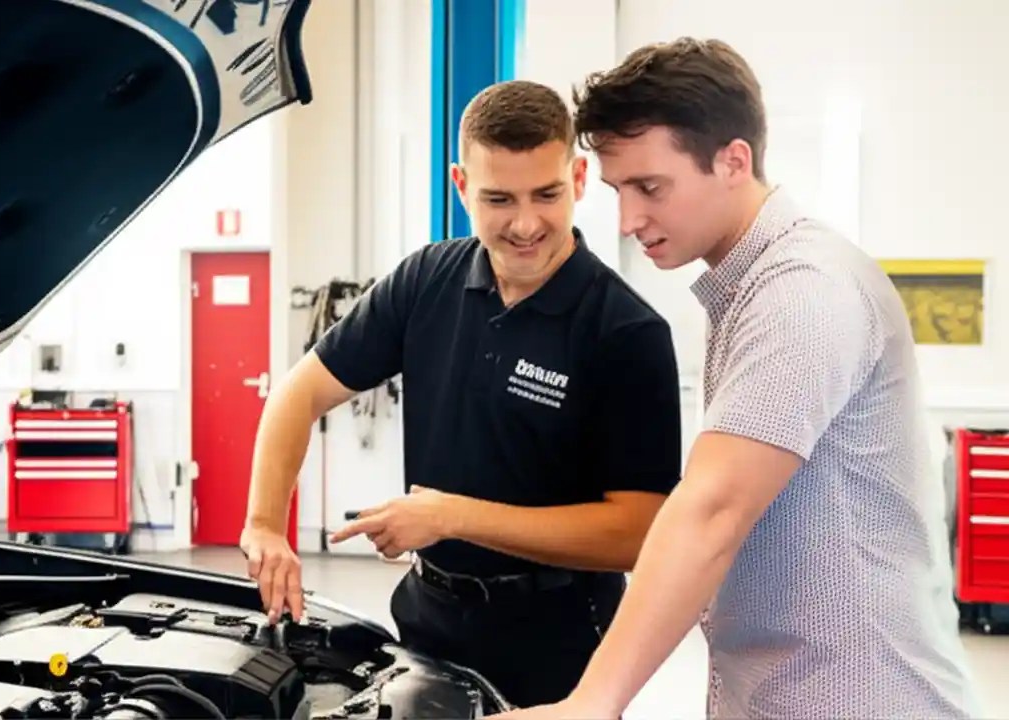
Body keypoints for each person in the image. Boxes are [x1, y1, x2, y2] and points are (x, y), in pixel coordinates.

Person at [495, 38, 980, 719]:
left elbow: (712, 509)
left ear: (733, 160)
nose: (630, 220)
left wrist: (593, 703)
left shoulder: (804, 291)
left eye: (650, 188)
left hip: (861, 698)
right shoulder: (747, 288)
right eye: (617, 191)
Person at [238, 79, 683, 707]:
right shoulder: (425, 281)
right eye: (498, 198)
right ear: (460, 186)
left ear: (579, 179)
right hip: (428, 623)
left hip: (558, 644)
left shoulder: (625, 331)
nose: (526, 223)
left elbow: (638, 532)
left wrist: (450, 516)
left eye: (547, 194)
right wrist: (264, 524)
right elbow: (298, 393)